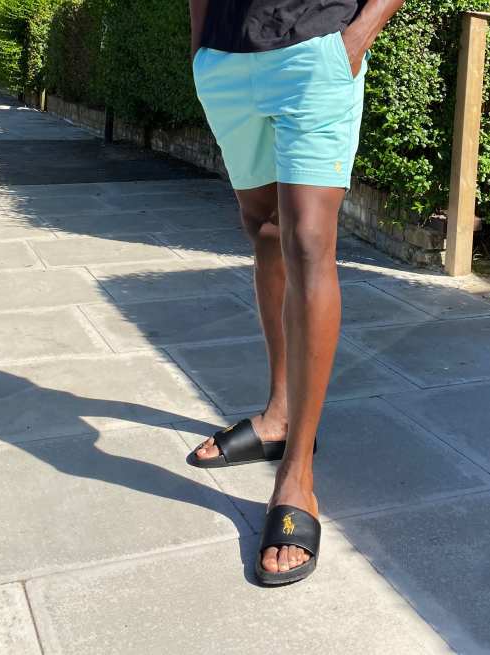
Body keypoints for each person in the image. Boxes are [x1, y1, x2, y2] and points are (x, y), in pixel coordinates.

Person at [187, 0, 405, 585]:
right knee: (264, 230)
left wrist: (357, 38)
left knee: (308, 242)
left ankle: (297, 476)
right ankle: (278, 417)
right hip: (226, 59)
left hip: (316, 50)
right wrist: (201, 47)